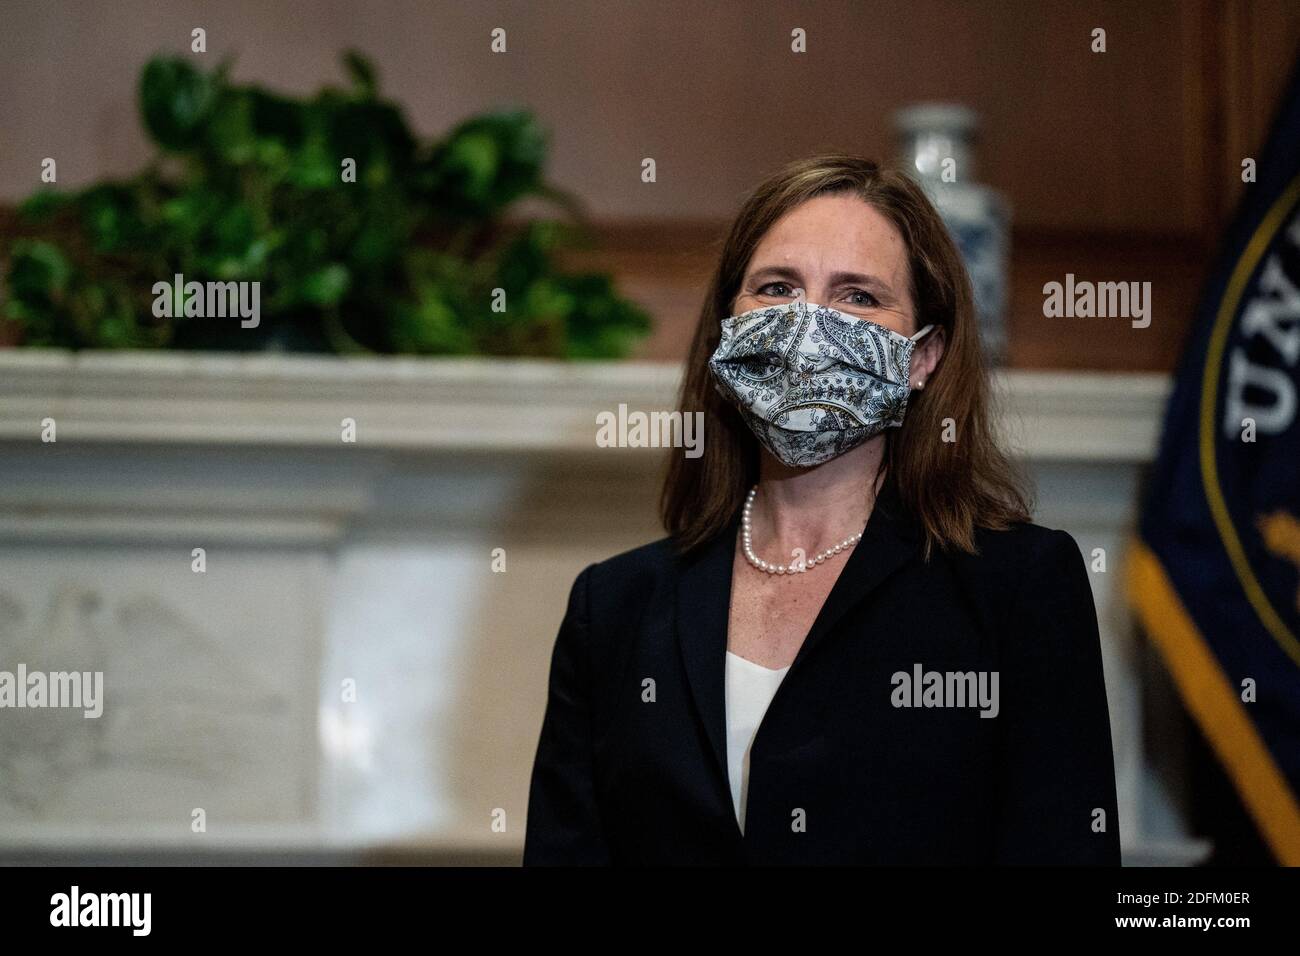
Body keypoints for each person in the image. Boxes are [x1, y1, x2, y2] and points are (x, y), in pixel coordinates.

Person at [522, 155, 1121, 865]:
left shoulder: (1017, 587)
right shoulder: (614, 606)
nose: (809, 325)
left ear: (922, 356)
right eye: (777, 288)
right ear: (726, 329)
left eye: (858, 297)